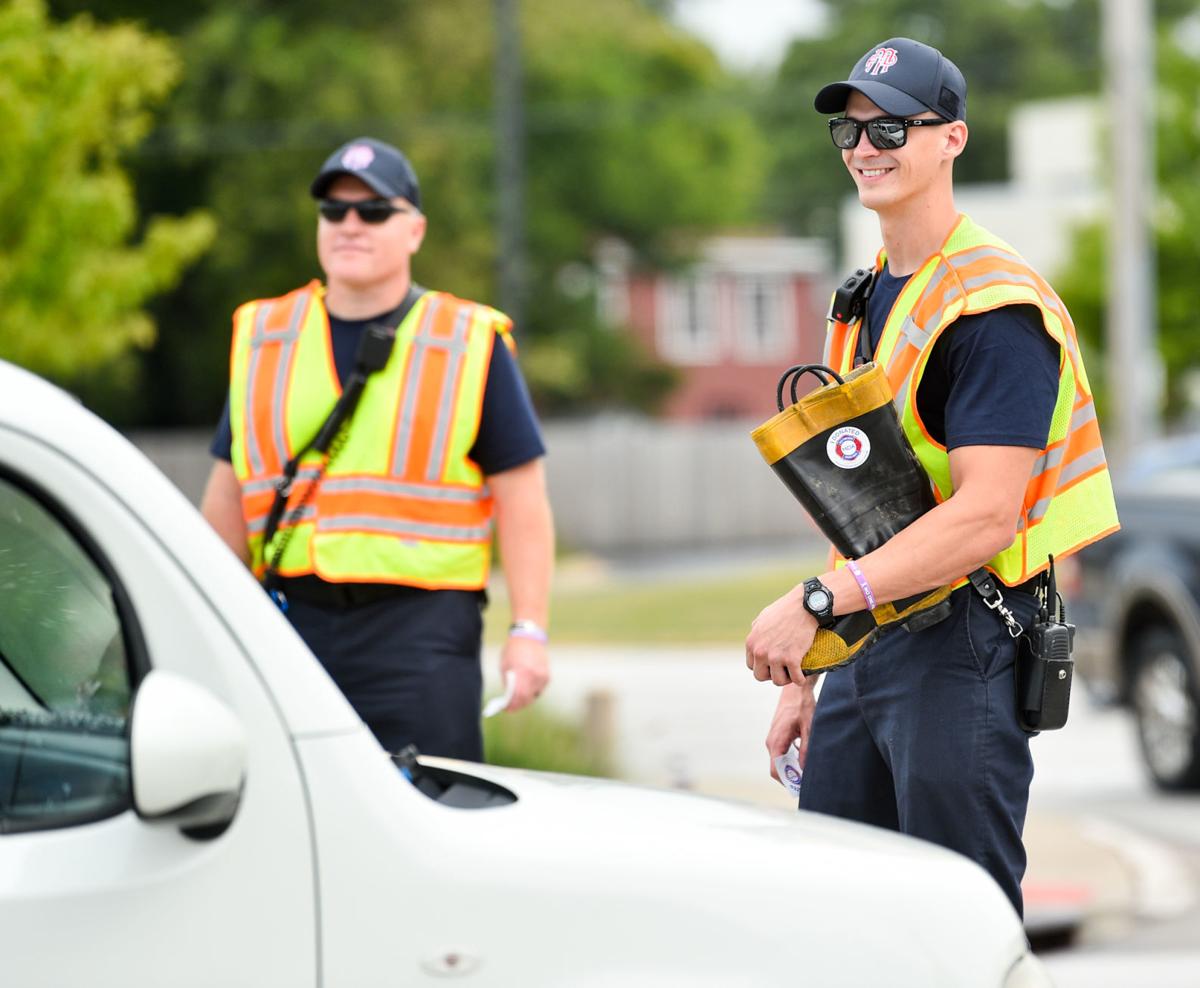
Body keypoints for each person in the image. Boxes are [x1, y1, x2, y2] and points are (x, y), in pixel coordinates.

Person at [744, 39, 1119, 916]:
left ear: (952, 138)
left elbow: (988, 517)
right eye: (852, 128)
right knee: (849, 922)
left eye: (894, 129)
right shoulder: (868, 293)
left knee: (959, 928)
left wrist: (817, 605)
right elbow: (859, 505)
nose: (866, 148)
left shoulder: (992, 306)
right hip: (875, 638)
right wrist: (812, 671)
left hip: (967, 641)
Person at [200, 136, 554, 761]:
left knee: (429, 820)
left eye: (374, 211)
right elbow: (229, 492)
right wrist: (199, 619)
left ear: (414, 230)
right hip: (287, 622)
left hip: (419, 632)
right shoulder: (264, 335)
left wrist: (528, 630)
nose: (351, 225)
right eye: (334, 211)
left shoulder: (466, 340)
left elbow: (522, 500)